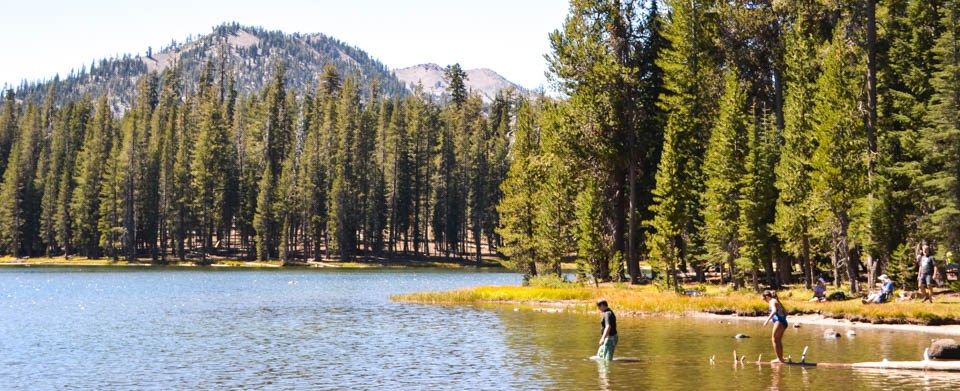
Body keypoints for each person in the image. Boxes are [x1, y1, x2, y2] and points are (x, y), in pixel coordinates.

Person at [762, 290, 787, 363]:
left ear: (767, 297)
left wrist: (767, 320)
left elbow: (774, 311)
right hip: (783, 322)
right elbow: (785, 313)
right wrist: (783, 320)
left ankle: (779, 359)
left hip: (779, 321)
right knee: (778, 340)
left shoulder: (772, 301)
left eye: (764, 299)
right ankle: (781, 358)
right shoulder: (777, 301)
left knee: (774, 339)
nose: (764, 301)